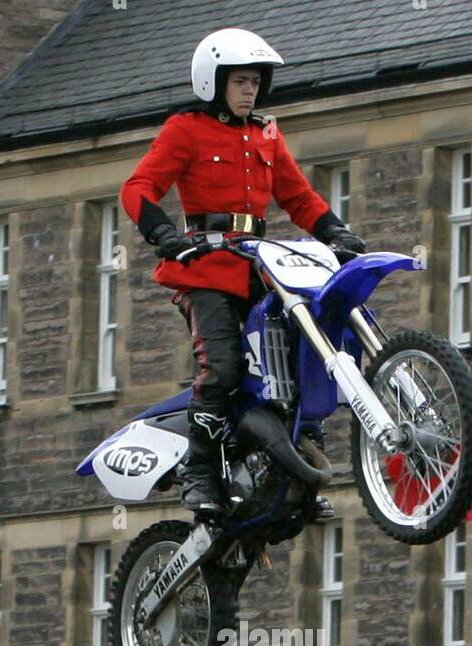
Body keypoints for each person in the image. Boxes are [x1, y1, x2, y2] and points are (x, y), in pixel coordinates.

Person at [119, 27, 364, 514]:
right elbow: (138, 188)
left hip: (260, 268)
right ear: (214, 82)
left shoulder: (267, 133)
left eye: (256, 81)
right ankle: (200, 472)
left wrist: (335, 233)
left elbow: (297, 196)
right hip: (204, 270)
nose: (251, 89)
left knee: (299, 360)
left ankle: (296, 469)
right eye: (241, 81)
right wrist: (166, 237)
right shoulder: (184, 129)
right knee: (224, 366)